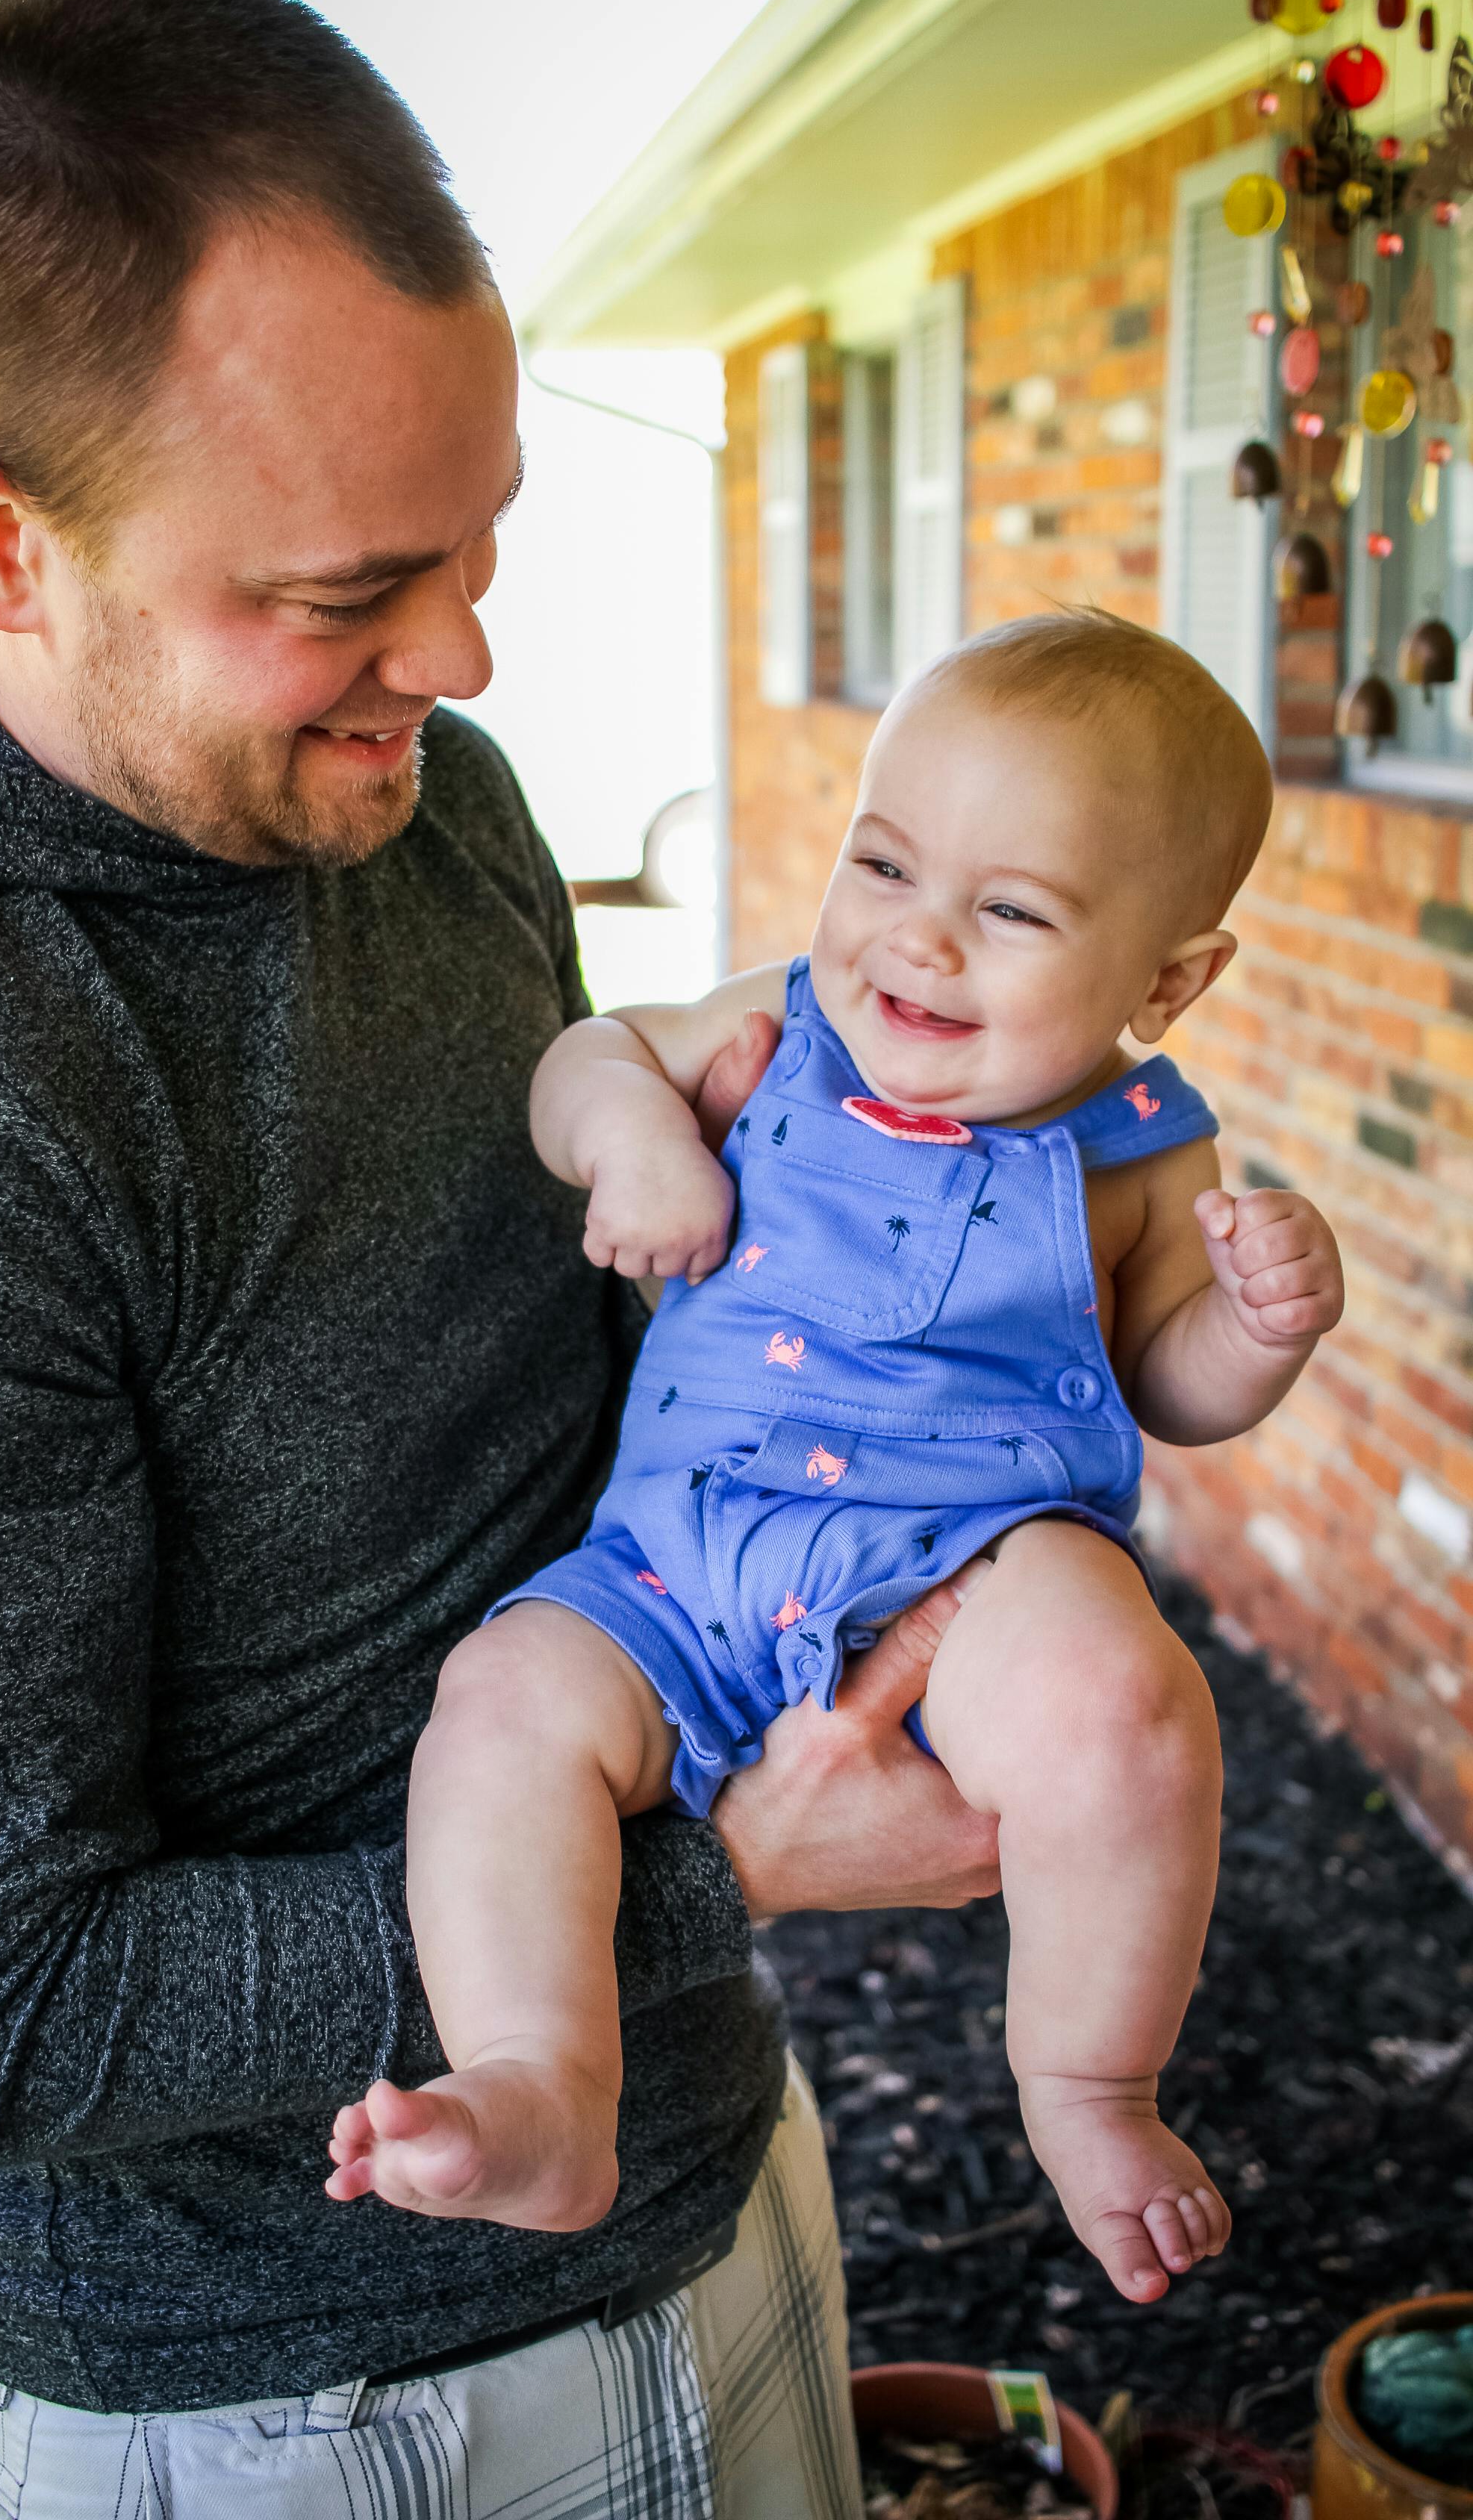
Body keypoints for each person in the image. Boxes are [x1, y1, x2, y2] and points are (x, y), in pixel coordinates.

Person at [0, 0, 1000, 2516]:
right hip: (314, 2401)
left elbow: (527, 1389)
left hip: (712, 2179)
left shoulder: (431, 796)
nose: (460, 654)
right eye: (345, 593)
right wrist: (729, 1865)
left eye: (483, 537)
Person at [329, 612, 1346, 2306]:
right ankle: (539, 2080)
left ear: (1166, 984)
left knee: (1126, 1705)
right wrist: (642, 1141)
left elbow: (1173, 1377)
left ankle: (1089, 2084)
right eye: (883, 865)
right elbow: (587, 1056)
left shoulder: (1142, 1152)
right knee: (503, 1703)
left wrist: (1260, 1323)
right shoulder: (780, 1026)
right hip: (676, 1568)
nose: (918, 943)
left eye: (1009, 911)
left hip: (978, 1572)